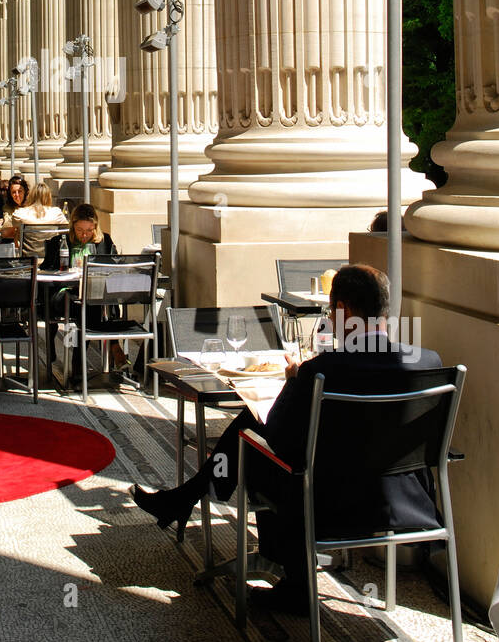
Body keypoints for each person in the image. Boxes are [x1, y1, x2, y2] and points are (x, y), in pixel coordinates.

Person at [129, 264, 443, 613]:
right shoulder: (428, 363)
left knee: (253, 435)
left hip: (328, 505)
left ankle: (287, 578)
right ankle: (186, 499)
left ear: (344, 311)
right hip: (410, 501)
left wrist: (294, 381)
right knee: (258, 430)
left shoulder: (322, 371)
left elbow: (278, 434)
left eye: (330, 311)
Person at [43, 204, 128, 386]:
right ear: (73, 226)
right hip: (65, 292)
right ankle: (112, 346)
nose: (84, 235)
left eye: (89, 230)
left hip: (92, 294)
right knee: (88, 307)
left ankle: (79, 363)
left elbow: (113, 266)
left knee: (92, 305)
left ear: (95, 227)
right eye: (80, 229)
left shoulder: (103, 241)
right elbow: (46, 270)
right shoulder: (61, 242)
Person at [0, 174, 28, 240]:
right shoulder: (8, 208)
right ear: (10, 194)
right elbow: (7, 227)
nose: (17, 195)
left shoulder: (32, 206)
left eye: (20, 191)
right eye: (14, 192)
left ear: (25, 192)